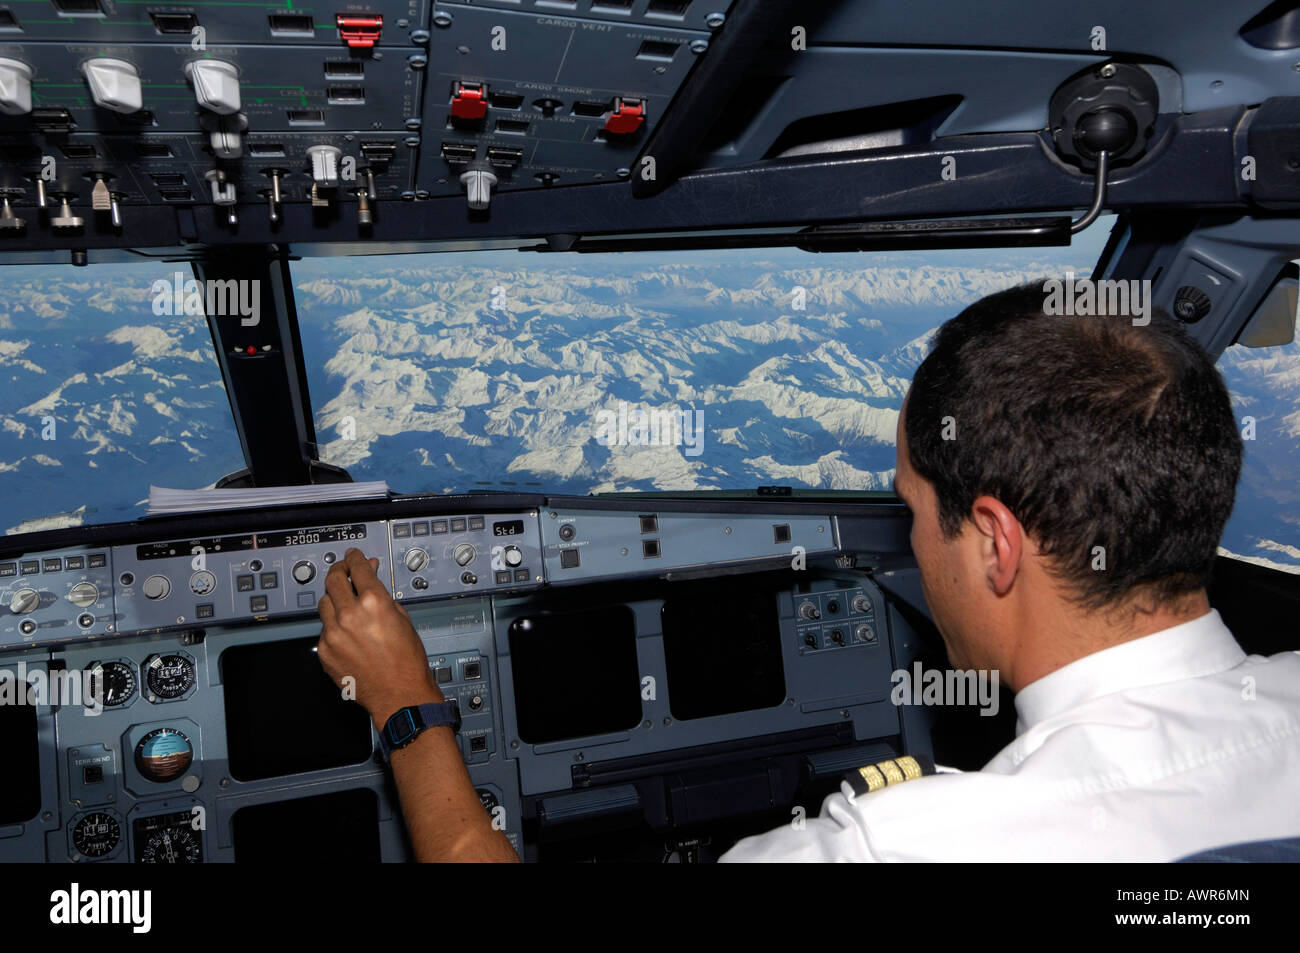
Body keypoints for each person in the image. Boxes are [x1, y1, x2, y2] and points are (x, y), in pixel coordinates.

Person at [315, 283, 1300, 862]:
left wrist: (408, 706)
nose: (907, 542)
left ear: (994, 543)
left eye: (913, 511)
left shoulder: (902, 845)